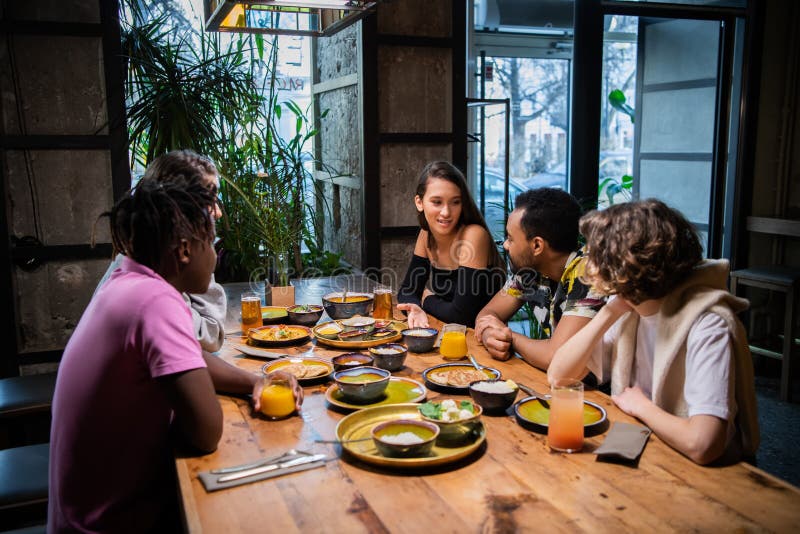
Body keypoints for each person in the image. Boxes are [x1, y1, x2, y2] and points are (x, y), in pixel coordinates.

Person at [49, 179, 303, 532]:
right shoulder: (155, 302)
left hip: (85, 514)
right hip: (111, 523)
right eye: (212, 243)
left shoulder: (128, 279)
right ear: (184, 250)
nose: (216, 256)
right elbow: (207, 431)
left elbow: (192, 356)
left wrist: (256, 380)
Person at [548, 199, 759, 465]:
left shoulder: (707, 324)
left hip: (708, 472)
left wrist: (641, 406)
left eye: (597, 255)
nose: (589, 262)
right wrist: (609, 312)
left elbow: (704, 444)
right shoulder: (631, 310)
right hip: (645, 443)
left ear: (624, 266)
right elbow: (559, 376)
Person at [94, 150, 226, 352]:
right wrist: (202, 253)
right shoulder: (152, 288)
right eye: (209, 201)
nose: (217, 213)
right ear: (177, 207)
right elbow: (209, 335)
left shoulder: (139, 260)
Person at [475, 188, 605, 370]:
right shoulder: (530, 271)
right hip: (558, 385)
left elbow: (556, 357)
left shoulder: (589, 272)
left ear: (537, 245)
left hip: (599, 393)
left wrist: (509, 337)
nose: (505, 245)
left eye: (511, 239)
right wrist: (490, 334)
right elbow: (488, 314)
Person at [397, 161, 505, 328]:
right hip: (447, 332)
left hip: (480, 341)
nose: (446, 212)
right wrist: (415, 307)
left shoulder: (474, 235)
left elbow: (462, 316)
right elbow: (407, 291)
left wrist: (426, 298)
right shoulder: (426, 235)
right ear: (419, 202)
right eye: (437, 202)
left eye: (455, 202)